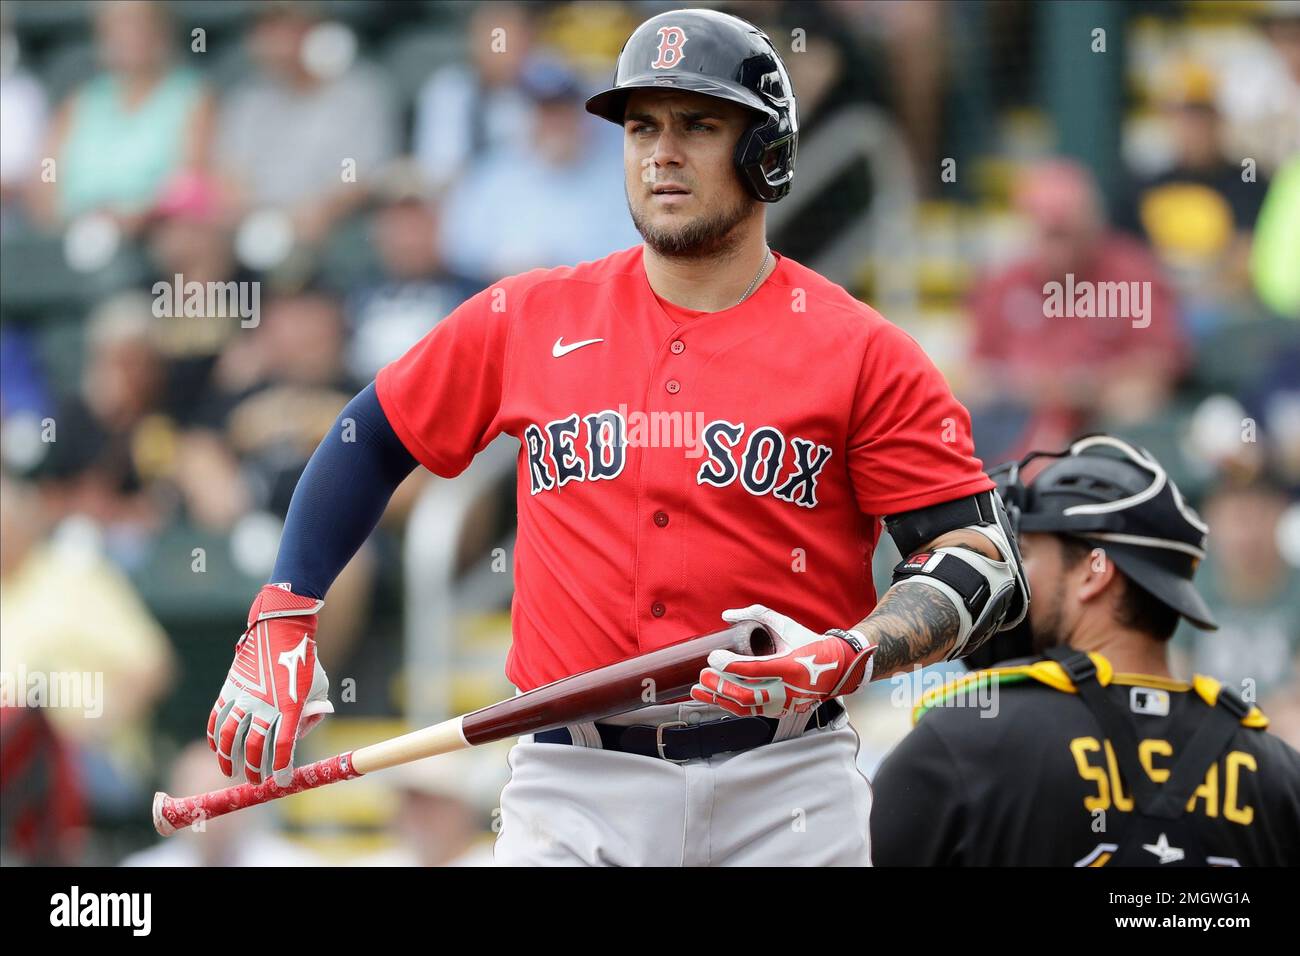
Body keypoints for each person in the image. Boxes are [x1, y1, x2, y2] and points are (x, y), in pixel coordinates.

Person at [204, 9, 1029, 867]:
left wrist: (850, 649)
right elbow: (367, 438)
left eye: (697, 125)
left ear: (767, 153)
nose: (660, 152)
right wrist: (284, 611)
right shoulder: (527, 314)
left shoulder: (863, 349)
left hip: (786, 781)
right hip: (575, 785)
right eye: (642, 127)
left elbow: (977, 560)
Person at [870, 434, 1300, 866]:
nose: (1011, 577)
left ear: (1095, 574)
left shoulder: (961, 741)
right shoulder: (1279, 772)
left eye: (1025, 554)